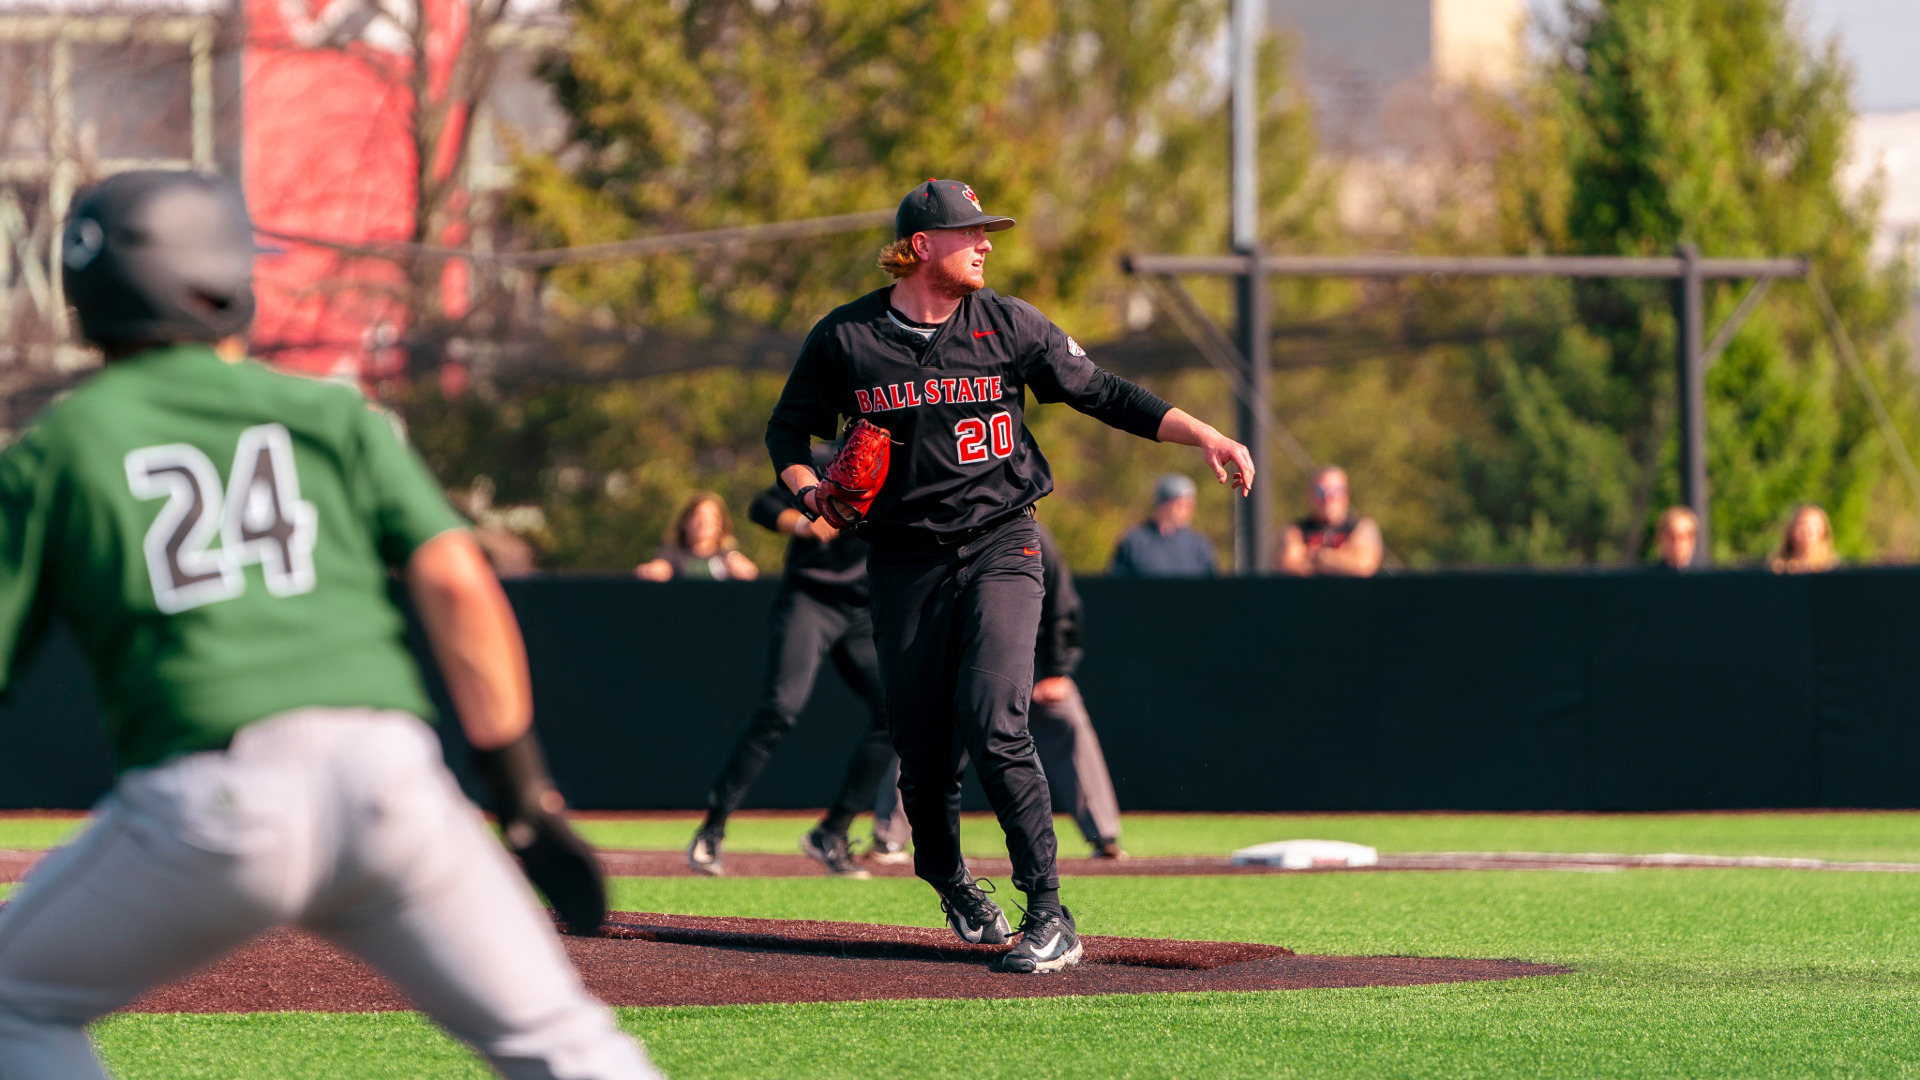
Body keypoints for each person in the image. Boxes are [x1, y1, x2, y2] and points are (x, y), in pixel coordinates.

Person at [0, 171, 657, 1079]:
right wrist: (522, 797)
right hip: (392, 783)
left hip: (211, 803)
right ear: (224, 284)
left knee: (12, 1006)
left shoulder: (60, 446)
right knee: (558, 1038)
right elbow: (460, 584)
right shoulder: (325, 410)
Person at [766, 178, 1253, 974]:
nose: (987, 243)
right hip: (903, 561)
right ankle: (949, 876)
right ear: (922, 247)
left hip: (1002, 543)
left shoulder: (1008, 322)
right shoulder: (848, 338)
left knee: (995, 718)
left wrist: (1202, 434)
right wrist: (809, 492)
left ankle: (1049, 911)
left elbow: (1104, 393)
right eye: (971, 233)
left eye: (988, 232)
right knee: (921, 758)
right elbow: (788, 429)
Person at [686, 446, 892, 879]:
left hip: (862, 607)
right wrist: (802, 523)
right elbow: (762, 506)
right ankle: (712, 829)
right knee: (779, 710)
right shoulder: (830, 457)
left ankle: (831, 832)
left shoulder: (906, 458)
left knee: (897, 714)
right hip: (810, 601)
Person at [872, 519, 1126, 860]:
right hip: (957, 661)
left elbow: (1061, 605)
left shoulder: (1026, 530)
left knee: (1069, 721)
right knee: (923, 728)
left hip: (1024, 663)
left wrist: (1058, 670)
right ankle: (889, 836)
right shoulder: (933, 531)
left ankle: (1104, 835)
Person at [1276, 466, 1382, 577]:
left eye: (1336, 491)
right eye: (1320, 492)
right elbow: (1287, 564)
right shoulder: (1295, 529)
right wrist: (1342, 557)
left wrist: (1319, 555)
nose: (1328, 499)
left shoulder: (1362, 527)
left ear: (1346, 495)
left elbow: (1364, 565)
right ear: (1309, 494)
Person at [1108, 473, 1218, 577]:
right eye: (1183, 505)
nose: (1189, 510)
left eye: (1191, 505)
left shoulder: (1198, 546)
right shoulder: (1134, 542)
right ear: (1164, 504)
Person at [634, 492, 758, 581]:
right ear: (685, 522)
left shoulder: (728, 557)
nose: (705, 522)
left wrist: (746, 572)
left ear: (721, 525)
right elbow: (660, 567)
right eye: (698, 515)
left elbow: (750, 573)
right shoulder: (672, 553)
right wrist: (654, 571)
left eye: (712, 517)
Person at [1770, 504, 1838, 574]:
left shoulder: (1832, 569)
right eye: (1802, 524)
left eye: (1815, 524)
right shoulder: (1776, 568)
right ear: (1791, 530)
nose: (1809, 530)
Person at [1652, 506, 1699, 570]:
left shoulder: (1706, 576)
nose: (1676, 543)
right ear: (1660, 539)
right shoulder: (1647, 578)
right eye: (1671, 537)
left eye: (1682, 538)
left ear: (1692, 540)